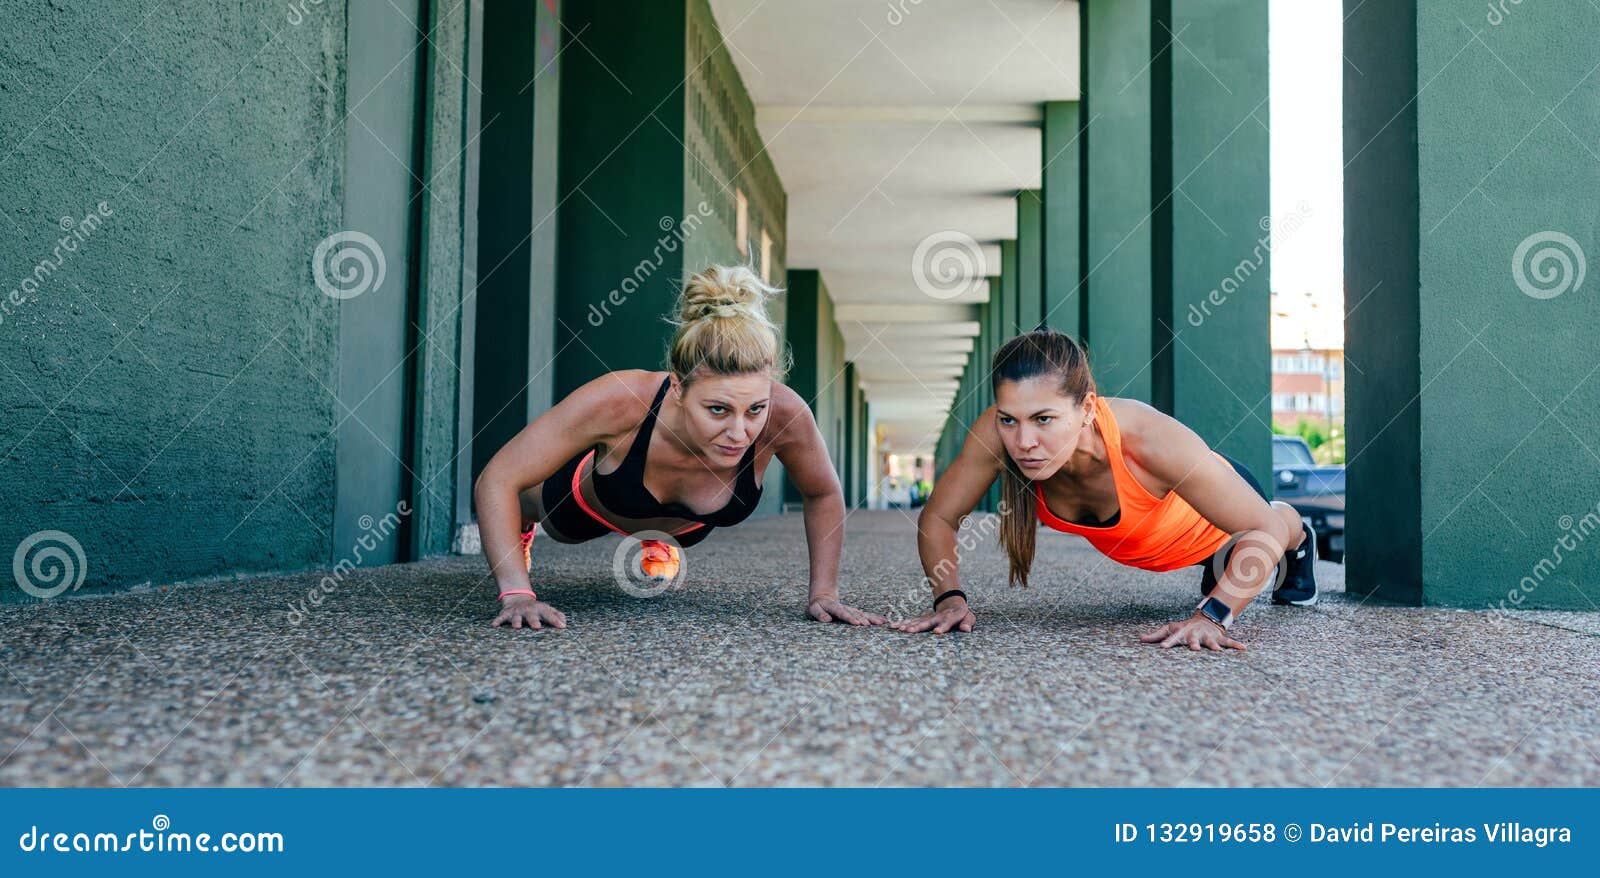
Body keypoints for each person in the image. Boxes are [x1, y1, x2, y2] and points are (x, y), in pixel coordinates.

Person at [473, 264, 886, 631]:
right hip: (586, 504)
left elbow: (823, 492)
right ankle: (524, 528)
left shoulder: (784, 416)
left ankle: (656, 539)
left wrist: (824, 593)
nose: (740, 432)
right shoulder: (621, 399)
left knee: (678, 526)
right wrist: (517, 593)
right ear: (677, 387)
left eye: (754, 409)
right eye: (718, 409)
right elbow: (497, 478)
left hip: (684, 529)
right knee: (545, 513)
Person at [890, 329, 1316, 650]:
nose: (1023, 442)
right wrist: (949, 599)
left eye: (1043, 419)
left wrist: (1214, 617)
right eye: (1009, 419)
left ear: (1088, 408)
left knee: (1272, 524)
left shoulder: (1147, 438)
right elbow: (939, 517)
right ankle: (1223, 567)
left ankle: (1300, 532)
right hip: (1161, 546)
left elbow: (1262, 528)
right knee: (1222, 572)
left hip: (1220, 523)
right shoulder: (996, 435)